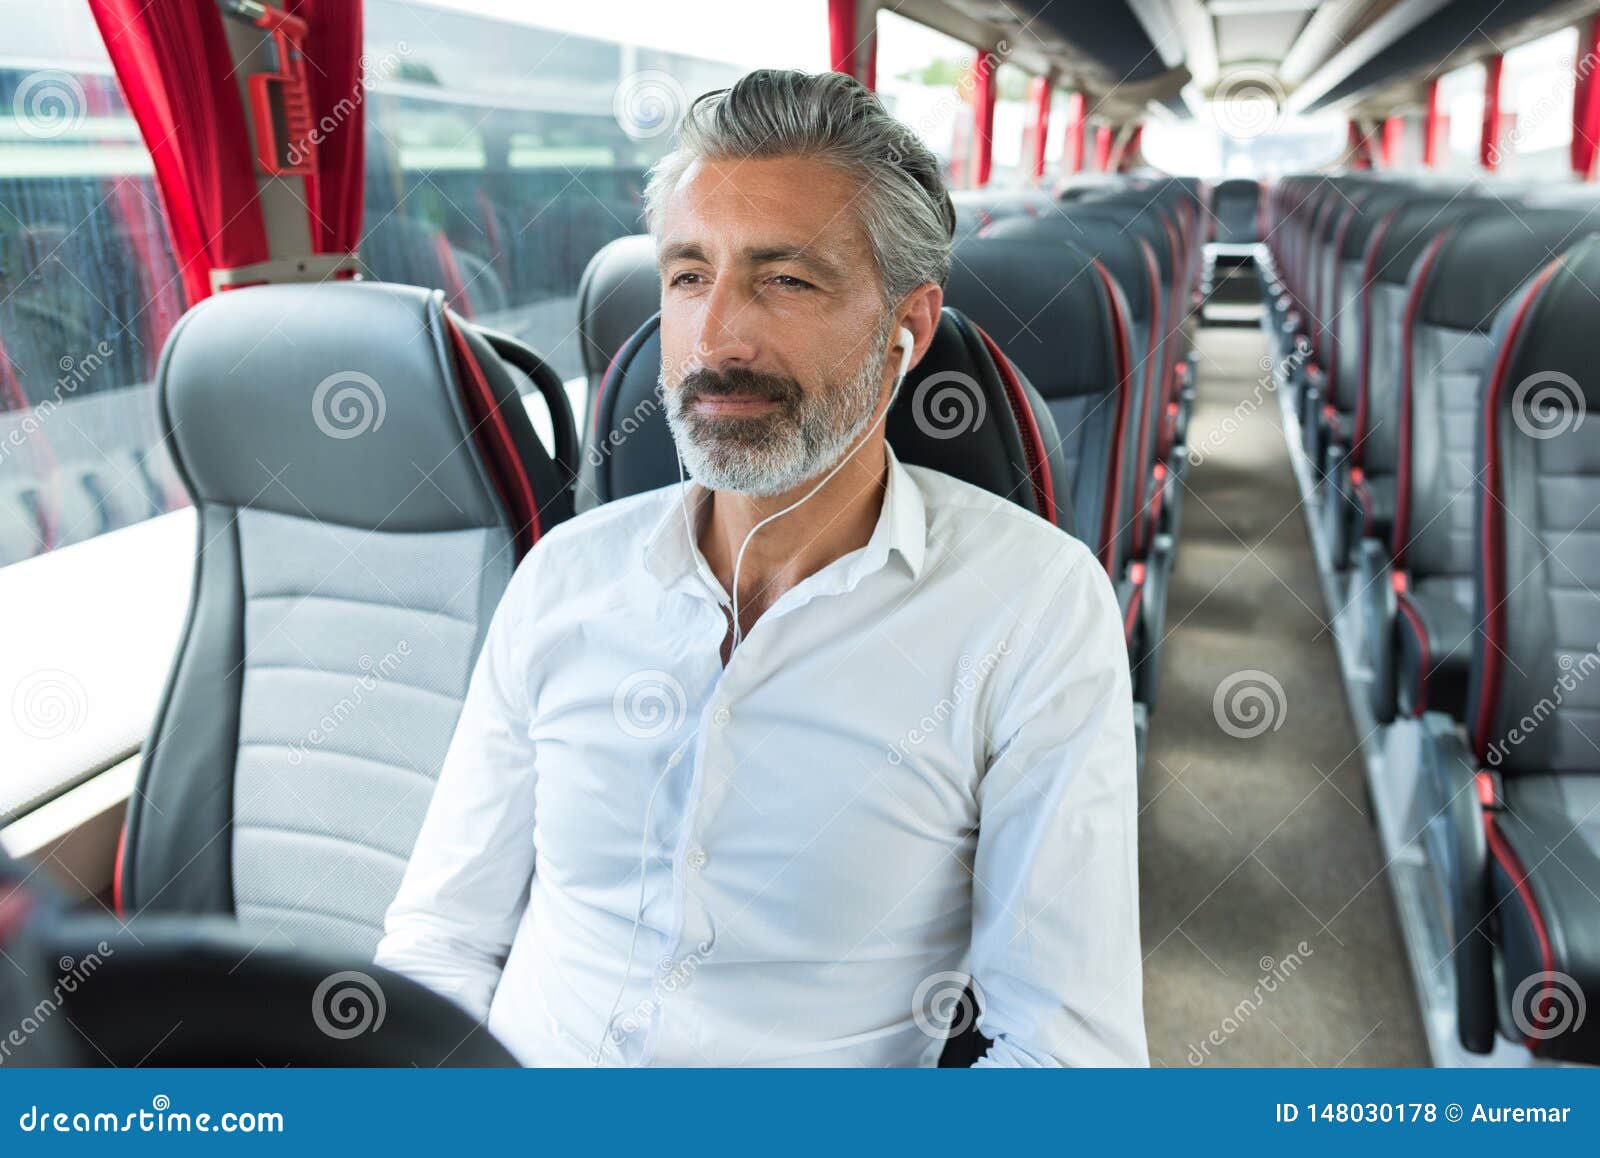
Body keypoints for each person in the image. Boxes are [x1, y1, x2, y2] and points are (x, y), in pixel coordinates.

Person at [376, 69, 1146, 1067]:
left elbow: (1065, 1058)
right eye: (690, 275)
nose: (714, 337)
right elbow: (442, 937)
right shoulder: (564, 578)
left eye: (785, 279)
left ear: (906, 331)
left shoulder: (1031, 608)